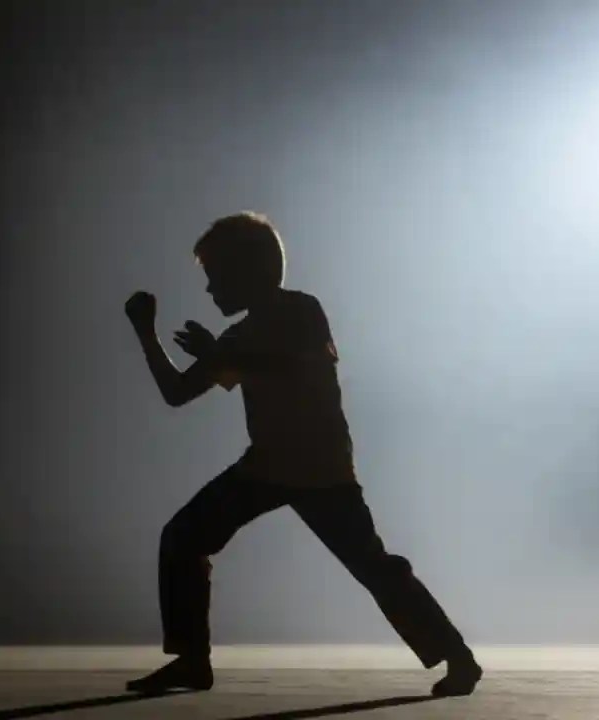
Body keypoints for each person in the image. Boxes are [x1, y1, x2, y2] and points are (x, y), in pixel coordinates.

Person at [123, 212, 482, 697]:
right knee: (183, 537)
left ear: (249, 271)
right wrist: (147, 334)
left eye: (215, 277)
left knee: (373, 566)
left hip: (321, 470)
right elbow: (177, 392)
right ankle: (191, 660)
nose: (209, 291)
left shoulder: (300, 312)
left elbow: (296, 365)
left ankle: (457, 658)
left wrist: (224, 357)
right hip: (268, 465)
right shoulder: (235, 338)